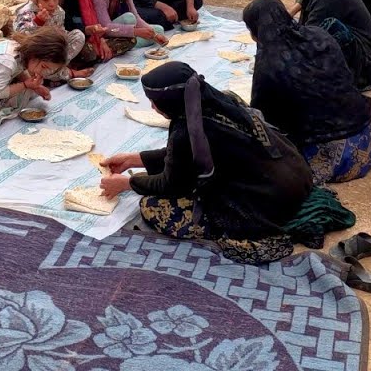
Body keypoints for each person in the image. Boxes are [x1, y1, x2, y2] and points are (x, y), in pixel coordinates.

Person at [99, 62, 313, 265]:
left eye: (155, 101)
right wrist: (133, 159)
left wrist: (127, 183)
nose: (153, 107)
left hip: (269, 201)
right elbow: (185, 154)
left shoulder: (187, 130)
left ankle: (228, 229)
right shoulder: (219, 100)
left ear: (171, 100)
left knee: (152, 207)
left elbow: (172, 184)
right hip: (296, 176)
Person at [242, 0, 371, 184]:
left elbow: (263, 118)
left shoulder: (269, 63)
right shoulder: (320, 35)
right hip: (367, 137)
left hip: (335, 159)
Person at [13, 0, 95, 82]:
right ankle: (65, 73)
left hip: (52, 52)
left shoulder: (58, 11)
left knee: (78, 36)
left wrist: (62, 37)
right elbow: (22, 38)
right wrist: (38, 22)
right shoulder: (26, 12)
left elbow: (60, 33)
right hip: (35, 54)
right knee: (36, 65)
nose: (51, 3)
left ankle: (56, 68)